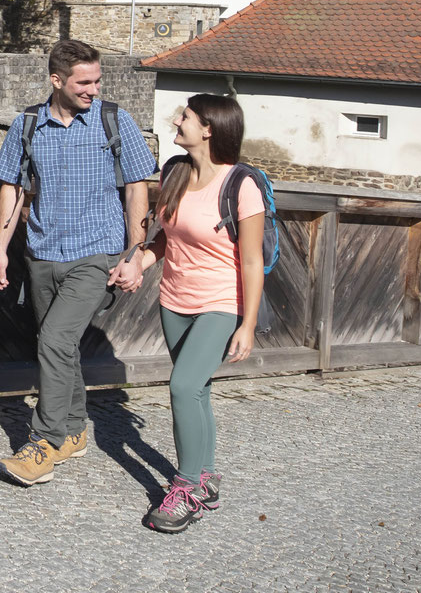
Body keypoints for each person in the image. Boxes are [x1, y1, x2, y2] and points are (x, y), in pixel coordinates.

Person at [0, 38, 158, 486]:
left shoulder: (113, 120)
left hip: (96, 254)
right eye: (84, 82)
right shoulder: (27, 124)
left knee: (54, 341)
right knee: (58, 344)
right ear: (56, 80)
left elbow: (138, 186)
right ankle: (75, 431)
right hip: (42, 254)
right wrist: (1, 248)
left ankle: (43, 442)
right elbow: (12, 187)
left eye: (98, 80)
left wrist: (135, 254)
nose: (94, 90)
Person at [110, 93, 265, 533]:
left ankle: (186, 488)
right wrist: (137, 261)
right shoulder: (174, 172)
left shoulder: (242, 184)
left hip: (220, 304)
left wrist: (248, 324)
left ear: (210, 128)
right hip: (174, 301)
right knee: (196, 391)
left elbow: (251, 261)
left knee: (181, 387)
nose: (177, 121)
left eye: (187, 117)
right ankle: (207, 475)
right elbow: (164, 241)